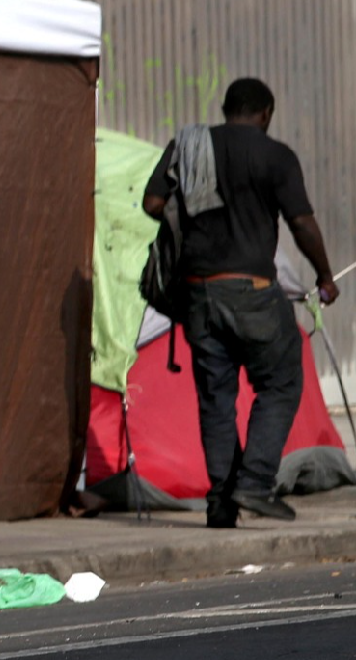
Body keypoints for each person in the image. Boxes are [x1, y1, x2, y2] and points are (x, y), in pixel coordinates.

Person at [143, 78, 337, 528]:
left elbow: (154, 202)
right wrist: (325, 276)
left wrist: (190, 213)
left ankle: (221, 504)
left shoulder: (188, 147)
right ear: (266, 113)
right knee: (282, 381)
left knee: (216, 398)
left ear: (226, 108)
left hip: (197, 293)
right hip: (251, 291)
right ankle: (254, 482)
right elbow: (302, 224)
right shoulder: (275, 156)